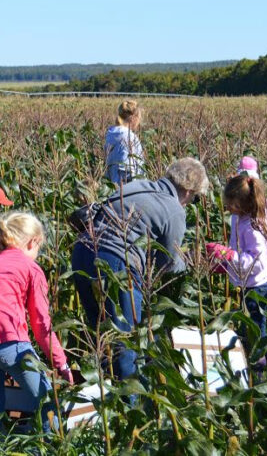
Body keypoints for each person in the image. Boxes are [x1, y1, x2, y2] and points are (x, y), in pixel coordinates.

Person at [71, 157, 209, 381]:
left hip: (82, 252)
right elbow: (170, 264)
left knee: (101, 332)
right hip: (116, 263)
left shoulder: (137, 186)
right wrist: (193, 262)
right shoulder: (174, 209)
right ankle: (129, 403)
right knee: (126, 338)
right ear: (188, 191)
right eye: (194, 198)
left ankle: (108, 390)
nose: (189, 202)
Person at [0, 212, 73, 437]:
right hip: (9, 343)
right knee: (47, 404)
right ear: (32, 242)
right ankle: (50, 450)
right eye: (38, 248)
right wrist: (61, 365)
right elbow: (42, 324)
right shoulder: (31, 268)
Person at [206, 172, 267, 349]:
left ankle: (259, 365)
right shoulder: (240, 218)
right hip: (249, 282)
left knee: (256, 330)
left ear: (243, 204)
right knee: (247, 327)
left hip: (257, 287)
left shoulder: (254, 227)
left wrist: (229, 256)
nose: (227, 208)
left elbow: (256, 262)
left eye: (230, 205)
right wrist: (225, 264)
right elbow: (242, 252)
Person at [103, 100, 145, 185]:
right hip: (127, 190)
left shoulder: (110, 134)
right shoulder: (129, 137)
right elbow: (128, 170)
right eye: (139, 118)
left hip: (111, 187)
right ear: (133, 118)